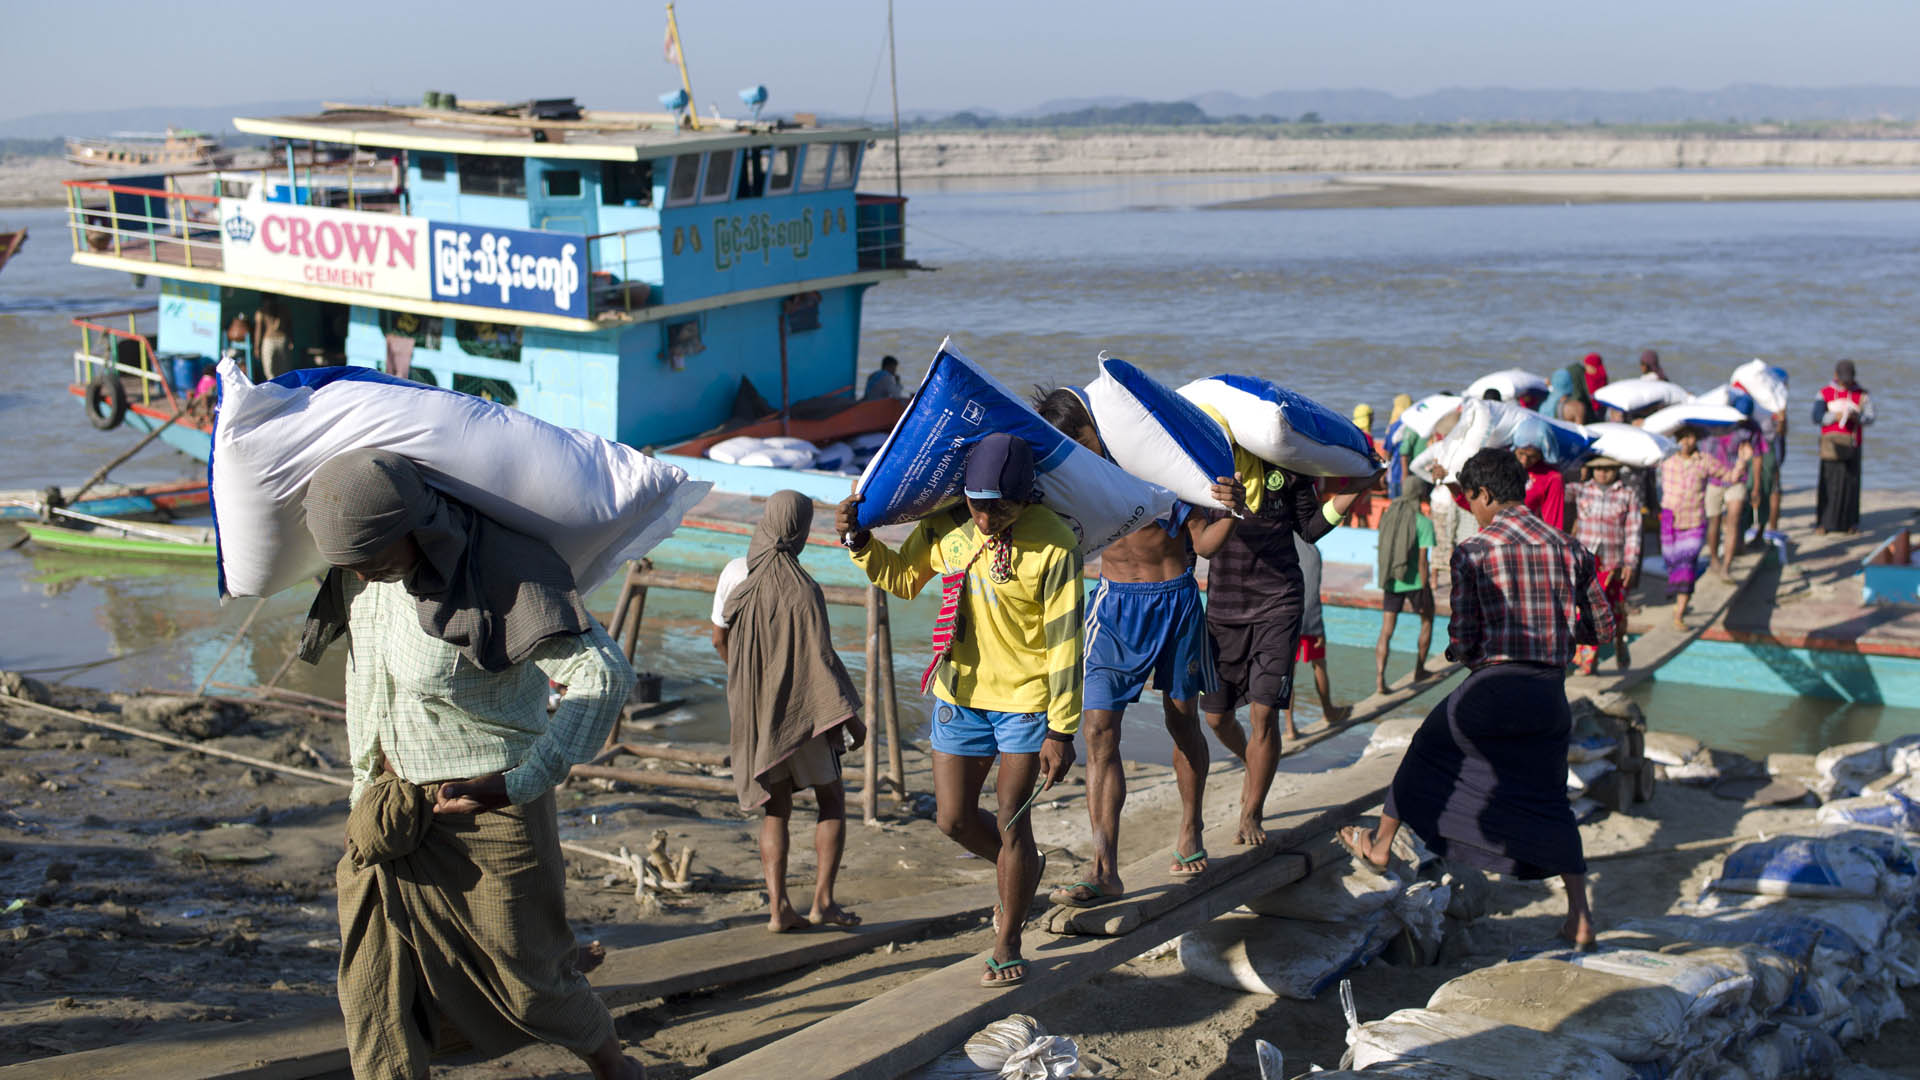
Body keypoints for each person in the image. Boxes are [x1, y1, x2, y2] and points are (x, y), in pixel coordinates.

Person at [298, 449, 643, 1080]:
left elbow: (603, 675)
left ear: (414, 527)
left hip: (489, 816)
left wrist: (520, 783)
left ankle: (616, 1066)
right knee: (374, 991)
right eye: (351, 563)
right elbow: (367, 688)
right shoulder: (360, 575)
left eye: (374, 558)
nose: (364, 573)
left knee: (530, 981)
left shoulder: (498, 575)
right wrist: (361, 794)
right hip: (390, 812)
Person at [1339, 448, 1615, 951]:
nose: (1473, 511)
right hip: (1549, 693)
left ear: (1485, 495)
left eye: (1472, 502)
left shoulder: (1472, 551)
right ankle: (1579, 919)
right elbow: (1604, 629)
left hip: (1492, 687)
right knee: (1550, 797)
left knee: (1426, 749)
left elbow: (1464, 641)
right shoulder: (1570, 547)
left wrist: (1467, 651)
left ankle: (1380, 847)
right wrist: (1561, 638)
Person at [835, 434, 1079, 988]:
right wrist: (858, 540)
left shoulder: (1056, 545)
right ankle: (1023, 871)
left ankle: (1008, 937)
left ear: (1027, 497)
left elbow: (1066, 643)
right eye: (978, 503)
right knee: (952, 819)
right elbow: (902, 580)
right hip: (959, 693)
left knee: (1012, 815)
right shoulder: (947, 527)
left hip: (1026, 701)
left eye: (1001, 506)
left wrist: (1062, 730)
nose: (988, 517)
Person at [1031, 389, 1243, 906]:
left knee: (1181, 720)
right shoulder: (1067, 479)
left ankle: (1191, 827)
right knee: (1098, 727)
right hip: (1115, 607)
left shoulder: (1156, 466)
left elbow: (1201, 542)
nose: (1076, 450)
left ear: (1098, 429)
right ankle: (1104, 868)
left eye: (1080, 439)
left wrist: (1230, 514)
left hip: (1176, 603)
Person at [1199, 446, 1373, 846]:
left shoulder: (1289, 468)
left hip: (1278, 602)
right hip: (1224, 607)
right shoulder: (1211, 467)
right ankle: (1253, 761)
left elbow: (1310, 528)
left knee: (1265, 714)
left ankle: (1251, 813)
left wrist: (1357, 489)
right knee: (1216, 718)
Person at [711, 491, 867, 934]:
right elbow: (821, 663)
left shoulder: (734, 573)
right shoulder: (803, 588)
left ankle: (778, 911)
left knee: (776, 810)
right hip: (802, 713)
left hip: (753, 711)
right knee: (831, 799)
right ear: (798, 530)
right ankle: (822, 903)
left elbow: (720, 640)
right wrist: (853, 720)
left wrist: (749, 685)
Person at [1657, 426, 1752, 629]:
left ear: (1696, 439)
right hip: (1670, 520)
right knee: (1672, 562)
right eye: (1682, 437)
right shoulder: (1665, 459)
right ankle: (1679, 602)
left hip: (1694, 521)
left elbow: (1730, 477)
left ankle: (1679, 613)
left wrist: (1743, 461)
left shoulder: (1704, 461)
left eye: (1690, 436)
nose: (1686, 441)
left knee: (1687, 565)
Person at [1570, 457, 1641, 673]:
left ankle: (1620, 642)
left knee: (1615, 610)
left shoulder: (1627, 494)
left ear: (1616, 470)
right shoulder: (1580, 490)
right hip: (1586, 561)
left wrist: (1630, 562)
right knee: (1585, 609)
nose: (1602, 473)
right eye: (1598, 468)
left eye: (1608, 469)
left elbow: (1633, 531)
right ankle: (1588, 662)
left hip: (1613, 564)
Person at [1374, 477, 1436, 695]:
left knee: (1386, 631)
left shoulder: (1391, 516)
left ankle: (1380, 680)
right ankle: (1420, 670)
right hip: (1415, 583)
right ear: (1421, 495)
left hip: (1392, 578)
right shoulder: (1423, 522)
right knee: (1427, 621)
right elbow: (1422, 561)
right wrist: (1426, 587)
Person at [1289, 533, 1353, 739]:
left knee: (1288, 673)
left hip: (1285, 617)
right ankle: (1328, 710)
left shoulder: (1280, 542)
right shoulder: (1311, 551)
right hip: (1308, 618)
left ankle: (1289, 727)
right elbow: (1312, 593)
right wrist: (1317, 628)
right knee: (1318, 665)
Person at [1815, 359, 1874, 535]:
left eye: (1849, 380)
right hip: (1830, 445)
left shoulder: (1862, 394)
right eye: (1843, 379)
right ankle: (1823, 523)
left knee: (1852, 484)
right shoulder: (1824, 393)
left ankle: (1851, 523)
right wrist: (1835, 416)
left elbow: (1870, 417)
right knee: (1827, 483)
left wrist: (1857, 418)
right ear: (1836, 376)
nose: (1846, 383)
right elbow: (1816, 416)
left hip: (1853, 444)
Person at [1702, 409, 1759, 579]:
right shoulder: (1711, 425)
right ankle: (1714, 559)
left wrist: (1755, 484)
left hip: (1738, 480)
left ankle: (1726, 566)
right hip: (1714, 481)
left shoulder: (1750, 429)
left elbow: (1756, 456)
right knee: (1715, 520)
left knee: (1733, 521)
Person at [1515, 444, 1566, 531]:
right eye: (1521, 453)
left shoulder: (1551, 477)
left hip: (1523, 536)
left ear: (1541, 454)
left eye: (1532, 456)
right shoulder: (1499, 466)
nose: (1524, 460)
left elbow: (1553, 522)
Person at [254, 297, 294, 380]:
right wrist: (257, 347)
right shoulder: (262, 312)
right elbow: (258, 330)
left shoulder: (282, 310)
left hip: (281, 339)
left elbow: (289, 325)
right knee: (269, 370)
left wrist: (291, 339)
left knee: (283, 369)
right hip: (269, 341)